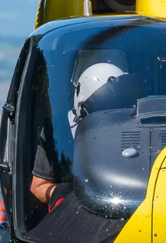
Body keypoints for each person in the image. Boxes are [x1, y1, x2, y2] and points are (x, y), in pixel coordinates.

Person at [30, 62, 131, 205]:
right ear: (83, 107)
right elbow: (38, 187)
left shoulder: (134, 129)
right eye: (102, 107)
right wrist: (62, 194)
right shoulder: (58, 131)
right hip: (75, 217)